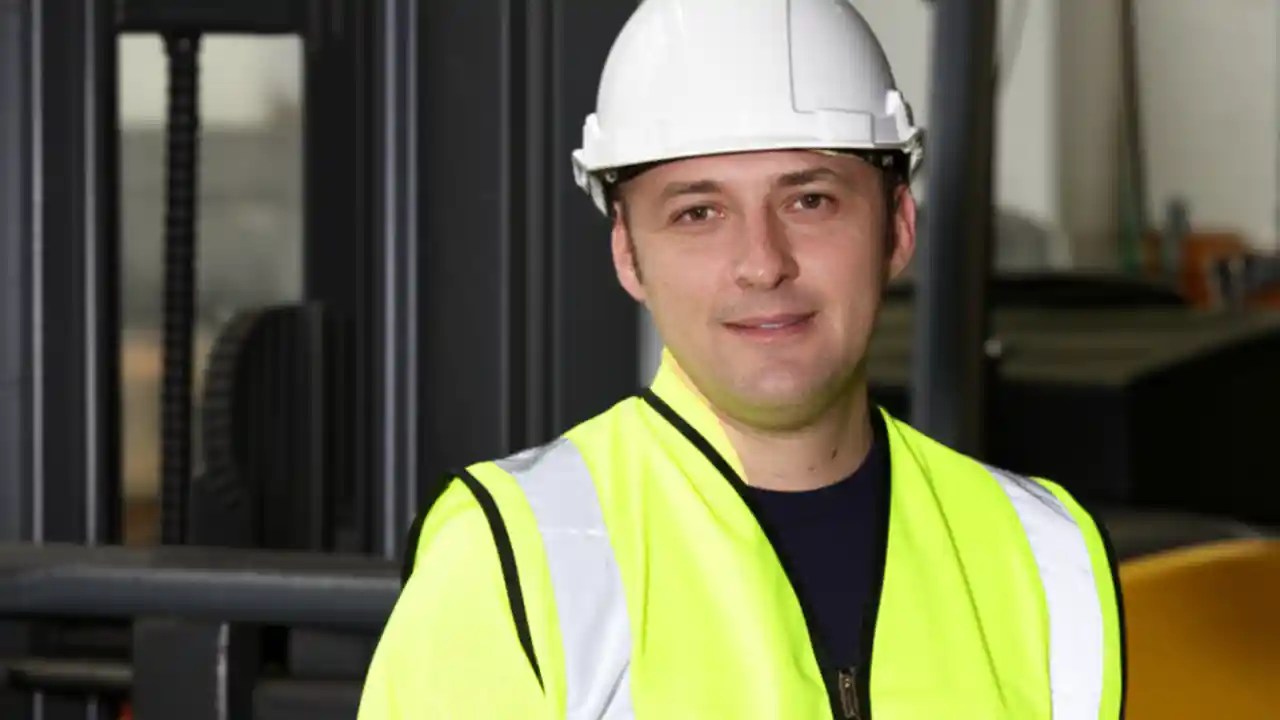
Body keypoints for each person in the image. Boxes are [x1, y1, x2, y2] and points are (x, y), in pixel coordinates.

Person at [358, 0, 1125, 717]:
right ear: (629, 254)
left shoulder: (1046, 554)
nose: (763, 263)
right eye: (699, 212)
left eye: (810, 201)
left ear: (896, 228)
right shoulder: (515, 556)